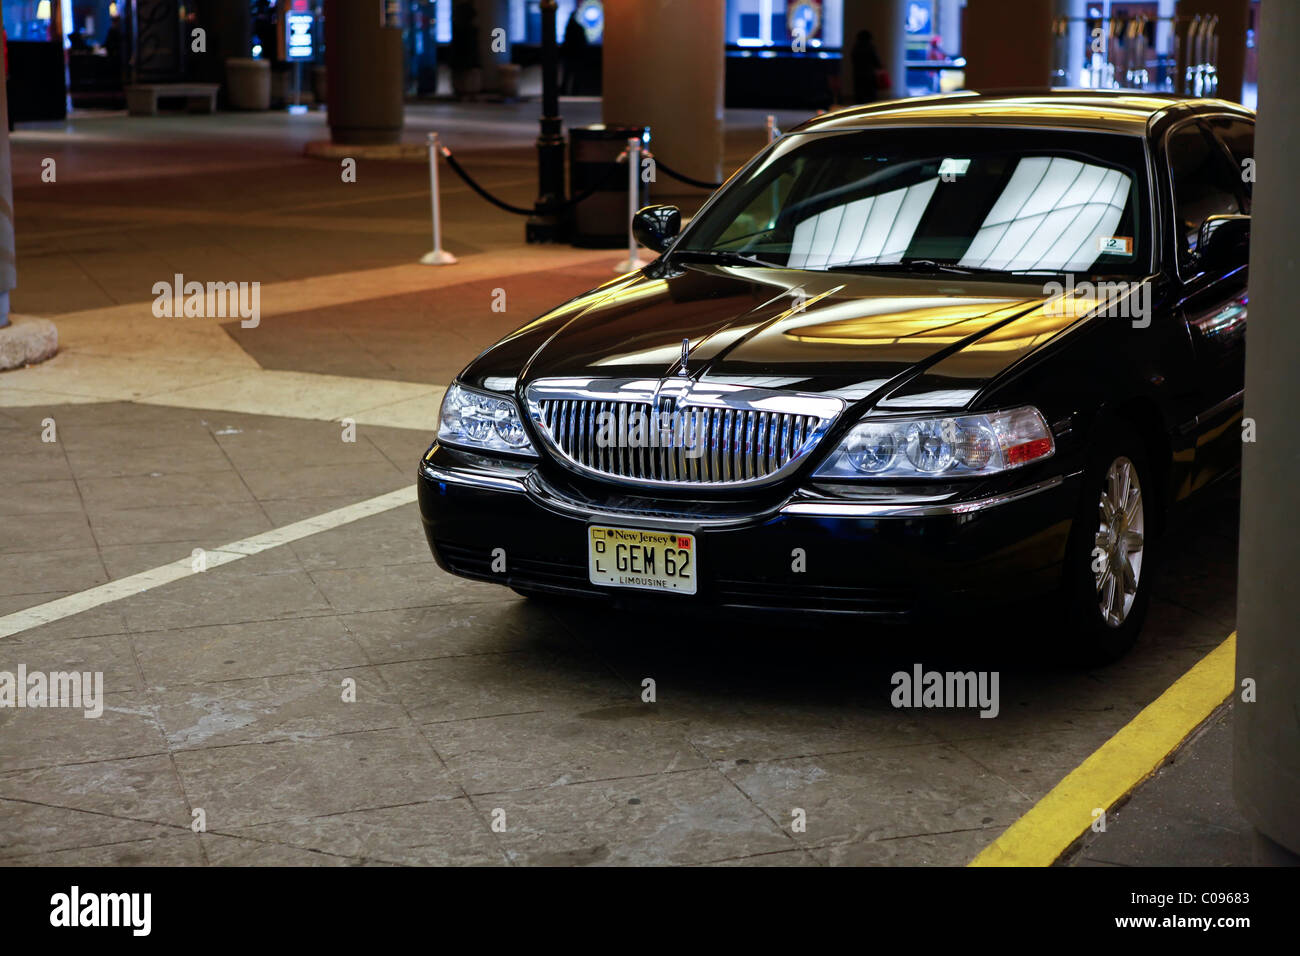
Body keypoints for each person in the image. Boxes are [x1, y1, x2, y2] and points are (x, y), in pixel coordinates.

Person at [851, 30, 883, 103]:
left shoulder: (856, 47)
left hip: (858, 73)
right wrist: (880, 67)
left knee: (859, 92)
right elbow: (875, 59)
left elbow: (853, 59)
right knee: (870, 93)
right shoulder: (870, 46)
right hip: (869, 73)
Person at [560, 11, 588, 95]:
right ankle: (574, 92)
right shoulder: (577, 28)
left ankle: (565, 91)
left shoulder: (569, 27)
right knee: (573, 75)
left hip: (571, 55)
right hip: (575, 56)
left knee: (568, 75)